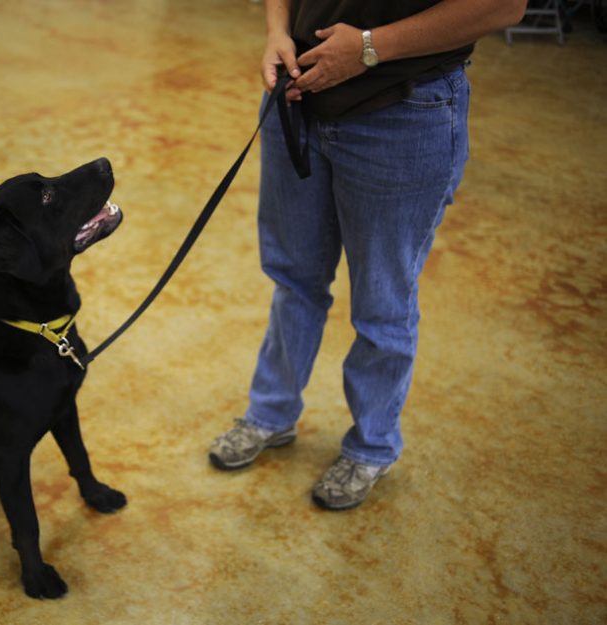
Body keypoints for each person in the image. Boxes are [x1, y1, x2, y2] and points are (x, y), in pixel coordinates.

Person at [209, 0, 528, 510]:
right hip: (296, 100)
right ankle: (270, 413)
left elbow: (504, 5)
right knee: (294, 278)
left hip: (402, 114)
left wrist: (370, 48)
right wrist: (275, 30)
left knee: (382, 298)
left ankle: (372, 445)